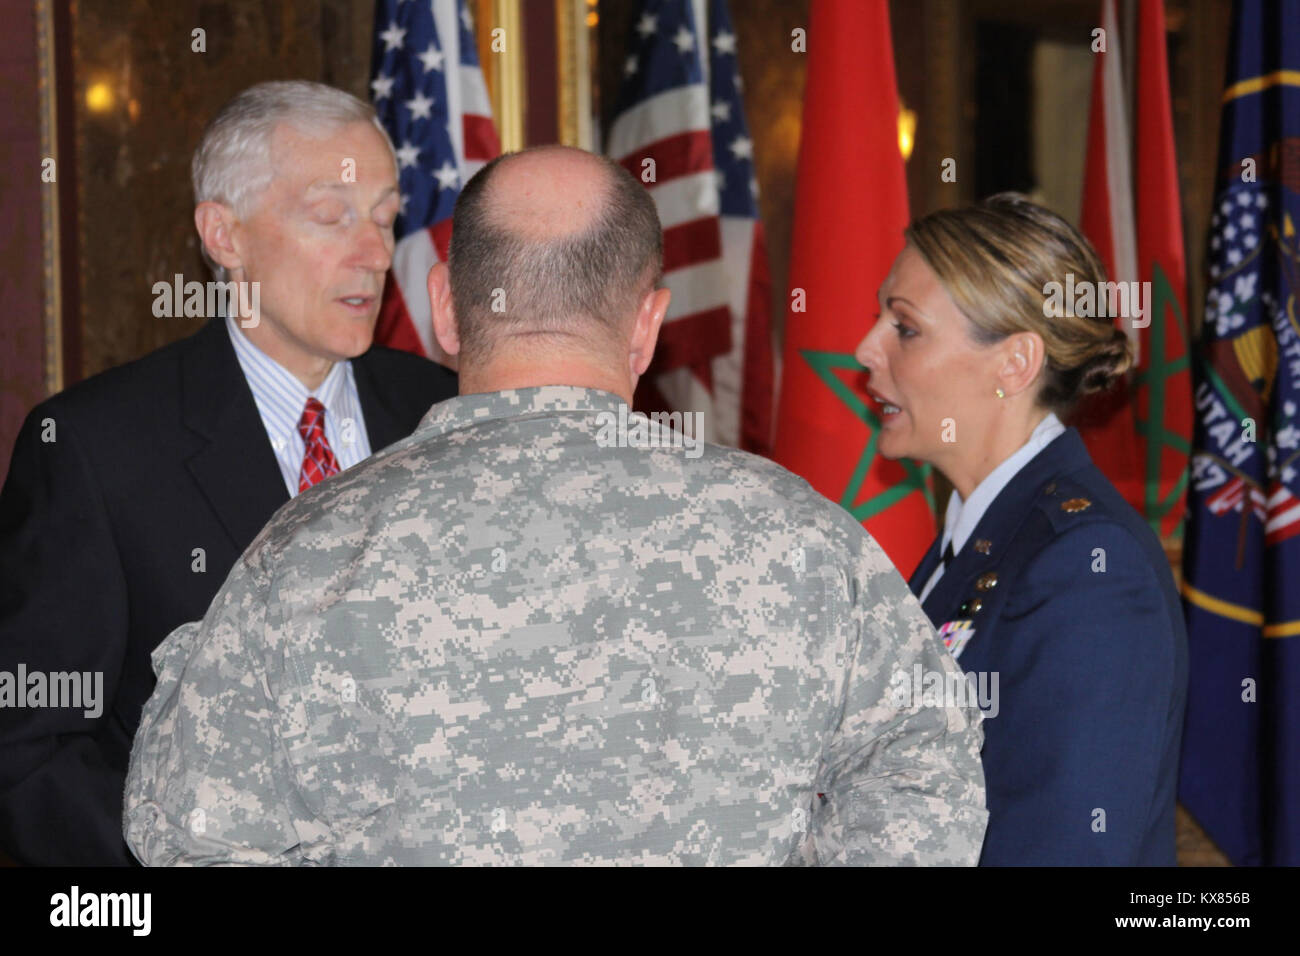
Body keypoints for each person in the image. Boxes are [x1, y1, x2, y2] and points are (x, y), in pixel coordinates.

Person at [123, 145, 988, 866]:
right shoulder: (802, 541)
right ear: (648, 325)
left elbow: (189, 837)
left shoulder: (305, 555)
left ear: (445, 310)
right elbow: (928, 783)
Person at [0, 81, 457, 866]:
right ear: (224, 234)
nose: (376, 254)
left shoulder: (443, 412)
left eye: (385, 218)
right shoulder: (97, 447)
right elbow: (30, 745)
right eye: (332, 216)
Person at [854, 193, 1188, 865]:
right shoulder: (981, 537)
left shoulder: (1088, 566)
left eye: (905, 328)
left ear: (1014, 364)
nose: (865, 349)